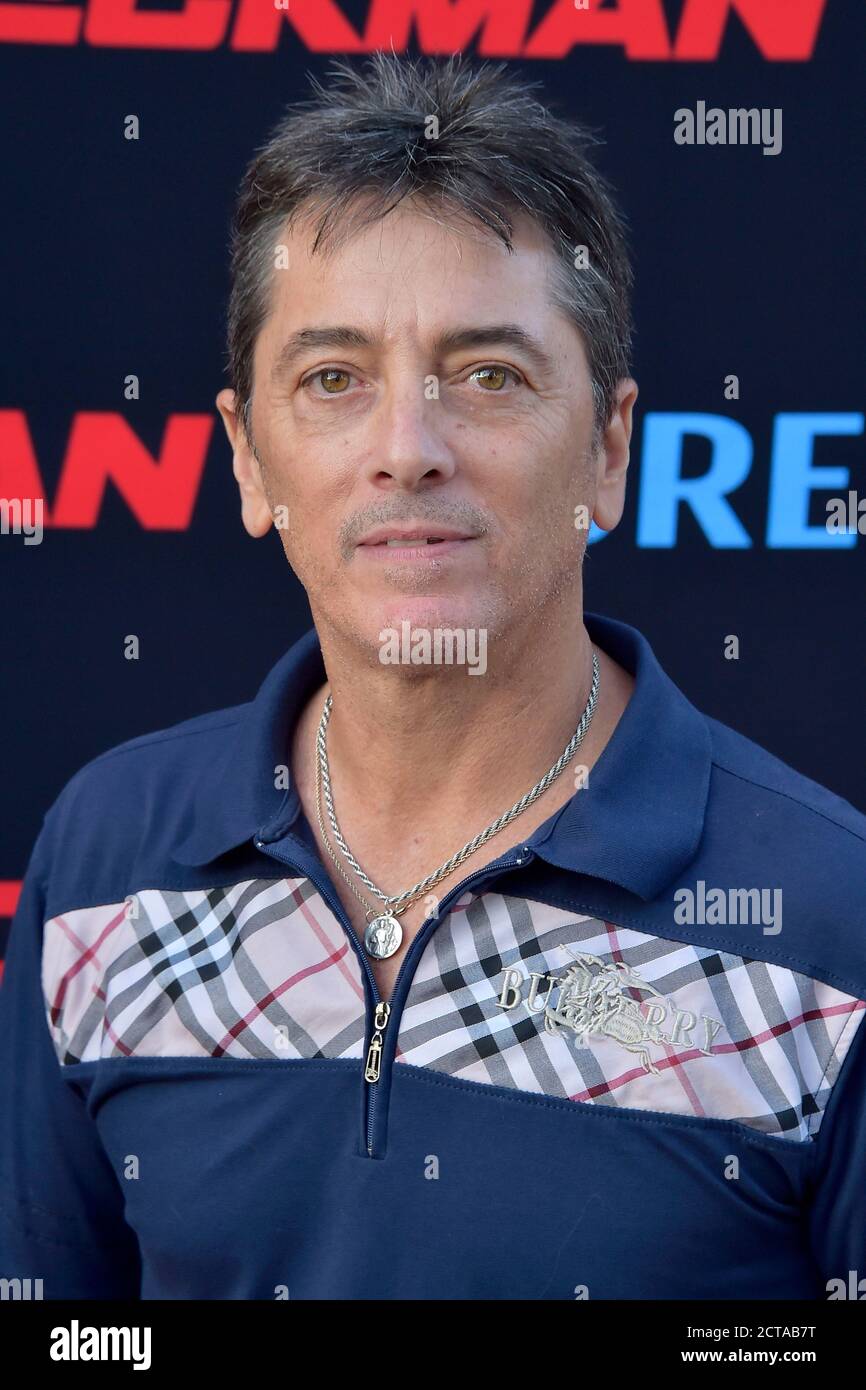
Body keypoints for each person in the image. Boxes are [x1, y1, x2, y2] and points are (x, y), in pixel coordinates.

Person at [1, 52, 864, 1301]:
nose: (407, 450)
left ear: (608, 448)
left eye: (488, 375)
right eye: (333, 380)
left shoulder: (826, 920)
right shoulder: (106, 854)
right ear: (248, 458)